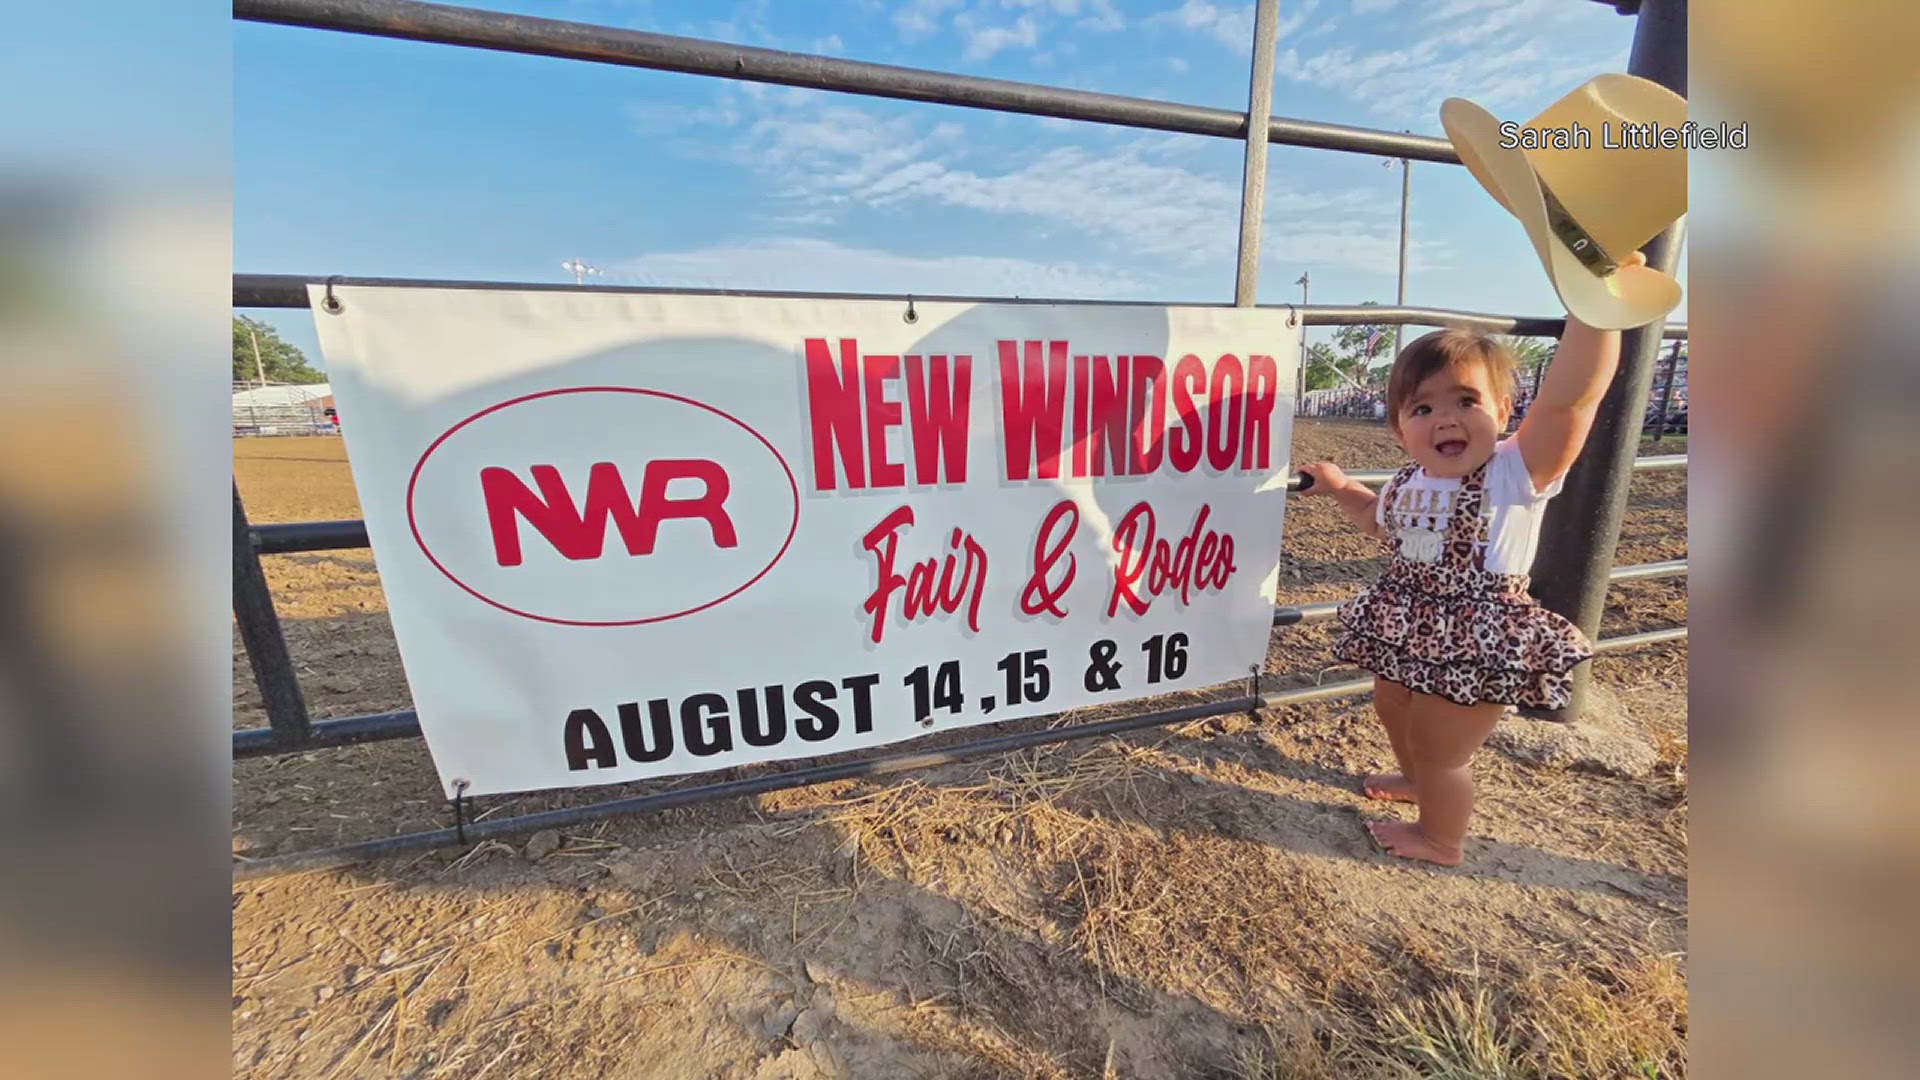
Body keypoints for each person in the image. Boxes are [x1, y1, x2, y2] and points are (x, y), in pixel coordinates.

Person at [1295, 255, 1639, 866]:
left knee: (1441, 747)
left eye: (1466, 400)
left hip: (1480, 632)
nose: (1445, 418)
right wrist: (1343, 488)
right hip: (1410, 620)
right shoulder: (1407, 480)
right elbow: (1380, 523)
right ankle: (1417, 782)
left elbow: (1572, 399)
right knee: (1392, 706)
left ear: (1505, 412)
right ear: (1401, 431)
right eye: (1421, 409)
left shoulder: (1516, 471)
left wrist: (1596, 307)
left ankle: (1441, 838)